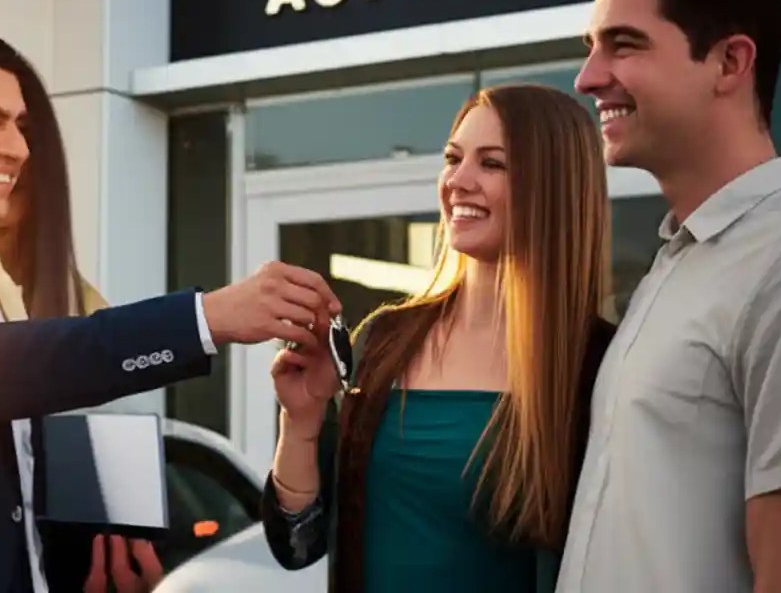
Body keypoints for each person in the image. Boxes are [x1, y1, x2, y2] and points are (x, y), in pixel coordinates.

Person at [0, 22, 342, 593]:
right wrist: (206, 317)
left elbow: (19, 487)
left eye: (20, 127)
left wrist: (90, 566)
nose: (18, 148)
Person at [558, 0, 781, 593]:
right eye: (591, 49)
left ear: (730, 63)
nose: (588, 78)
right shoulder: (677, 264)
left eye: (624, 44)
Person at [260, 84, 618, 593]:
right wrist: (300, 423)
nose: (458, 181)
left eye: (492, 164)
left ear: (554, 186)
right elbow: (297, 545)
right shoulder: (385, 341)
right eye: (453, 158)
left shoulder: (600, 364)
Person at [0, 46, 162, 593]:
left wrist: (131, 555)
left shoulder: (88, 312)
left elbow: (116, 505)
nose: (8, 152)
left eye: (23, 132)